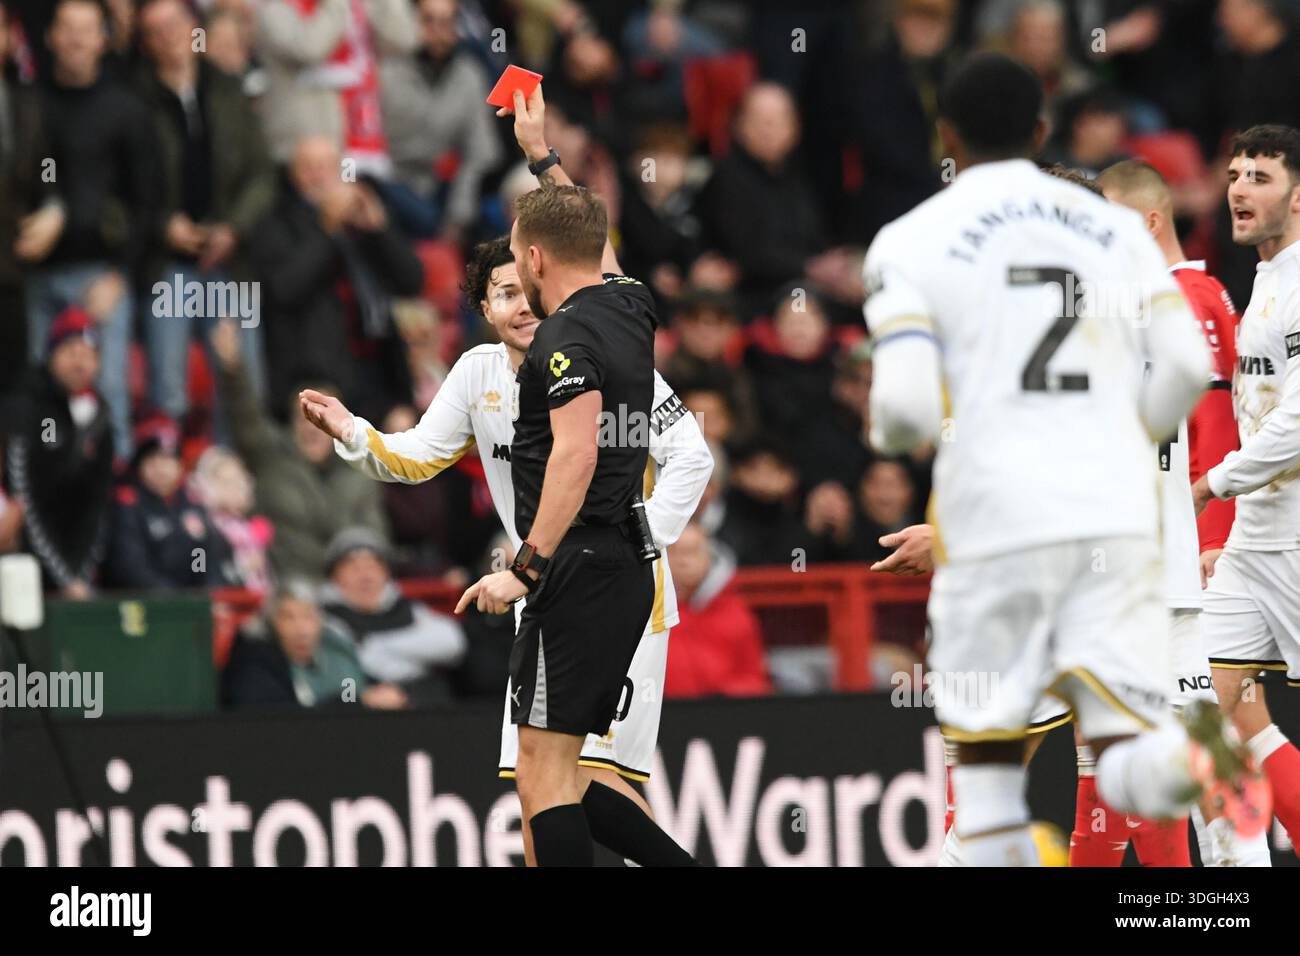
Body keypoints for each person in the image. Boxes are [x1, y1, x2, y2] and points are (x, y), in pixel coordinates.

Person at [302, 84, 712, 867]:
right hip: (578, 571)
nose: (518, 302)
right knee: (545, 779)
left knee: (583, 776)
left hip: (580, 569)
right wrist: (543, 157)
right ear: (485, 309)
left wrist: (533, 566)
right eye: (500, 296)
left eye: (522, 283)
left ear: (534, 267)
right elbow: (418, 454)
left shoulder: (565, 346)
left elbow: (588, 457)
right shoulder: (615, 312)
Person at [863, 52, 1245, 866]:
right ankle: (1164, 764)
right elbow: (1182, 371)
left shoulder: (911, 240)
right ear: (1041, 129)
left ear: (947, 134)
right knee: (1116, 759)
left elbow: (897, 414)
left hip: (1004, 543)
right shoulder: (1117, 232)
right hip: (1123, 539)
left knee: (990, 790)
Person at [1191, 124, 1300, 865]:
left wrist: (1212, 484)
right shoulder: (1264, 280)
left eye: (1259, 176)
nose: (1238, 187)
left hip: (1296, 537)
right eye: (1234, 173)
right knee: (1200, 713)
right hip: (1254, 541)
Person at [27, 0, 159, 458]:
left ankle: (113, 509)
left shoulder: (125, 108)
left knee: (108, 398)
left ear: (104, 40)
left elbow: (148, 201)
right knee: (41, 402)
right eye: (68, 28)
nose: (77, 39)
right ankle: (46, 510)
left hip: (101, 277)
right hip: (35, 277)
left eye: (88, 30)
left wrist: (121, 274)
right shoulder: (31, 102)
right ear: (51, 37)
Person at [135, 0, 276, 425]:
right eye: (155, 31)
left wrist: (234, 228)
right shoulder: (134, 99)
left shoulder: (227, 89)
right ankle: (166, 485)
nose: (169, 37)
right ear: (145, 43)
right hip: (167, 264)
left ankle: (237, 485)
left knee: (242, 386)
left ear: (194, 26)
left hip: (228, 260)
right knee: (169, 392)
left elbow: (262, 173)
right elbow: (121, 188)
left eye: (175, 25)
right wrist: (162, 224)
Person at [210, 317, 389, 582]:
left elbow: (376, 539)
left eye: (322, 419)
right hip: (288, 593)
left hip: (347, 594)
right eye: (303, 417)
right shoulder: (271, 456)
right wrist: (233, 369)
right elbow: (245, 417)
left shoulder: (362, 473)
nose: (311, 427)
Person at [3, 307, 114, 598]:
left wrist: (80, 575)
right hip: (24, 566)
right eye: (71, 351)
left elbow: (97, 504)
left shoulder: (99, 415)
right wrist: (64, 578)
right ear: (52, 353)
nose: (80, 363)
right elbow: (24, 498)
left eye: (89, 354)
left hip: (75, 573)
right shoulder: (27, 406)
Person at [318, 526, 466, 706]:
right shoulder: (322, 617)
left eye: (373, 566)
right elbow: (362, 665)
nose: (366, 577)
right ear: (334, 576)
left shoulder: (407, 608)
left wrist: (374, 642)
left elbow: (453, 643)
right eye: (354, 568)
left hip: (418, 699)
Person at [223, 580, 408, 710]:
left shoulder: (336, 650)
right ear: (271, 624)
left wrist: (381, 694)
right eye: (288, 618)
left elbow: (353, 691)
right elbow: (277, 721)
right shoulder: (254, 662)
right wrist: (360, 703)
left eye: (308, 616)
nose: (301, 629)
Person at [105, 413, 236, 590]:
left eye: (168, 460)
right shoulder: (128, 505)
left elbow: (201, 555)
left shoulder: (191, 505)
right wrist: (172, 597)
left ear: (179, 465)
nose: (161, 469)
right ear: (140, 465)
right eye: (153, 460)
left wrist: (203, 591)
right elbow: (130, 566)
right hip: (144, 603)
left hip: (187, 602)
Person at [663, 521, 771, 699]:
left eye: (692, 552)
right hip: (662, 715)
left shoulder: (736, 615)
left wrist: (723, 697)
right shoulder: (648, 613)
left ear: (710, 557)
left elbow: (755, 679)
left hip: (722, 716)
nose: (683, 561)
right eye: (674, 552)